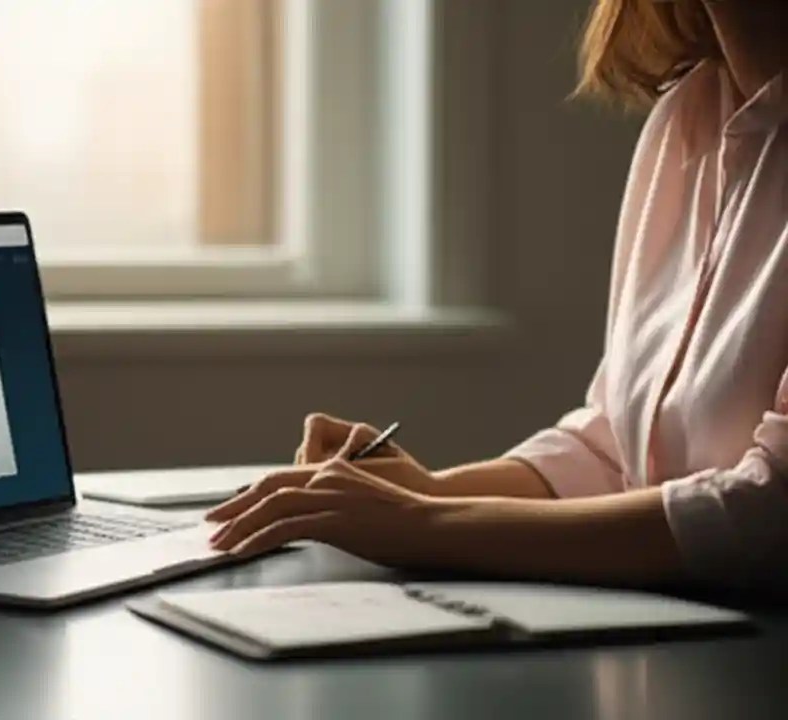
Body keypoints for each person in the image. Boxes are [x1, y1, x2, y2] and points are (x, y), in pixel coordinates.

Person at [207, 0, 787, 594]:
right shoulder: (687, 120)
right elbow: (617, 449)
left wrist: (424, 523)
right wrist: (422, 493)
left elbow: (767, 514)